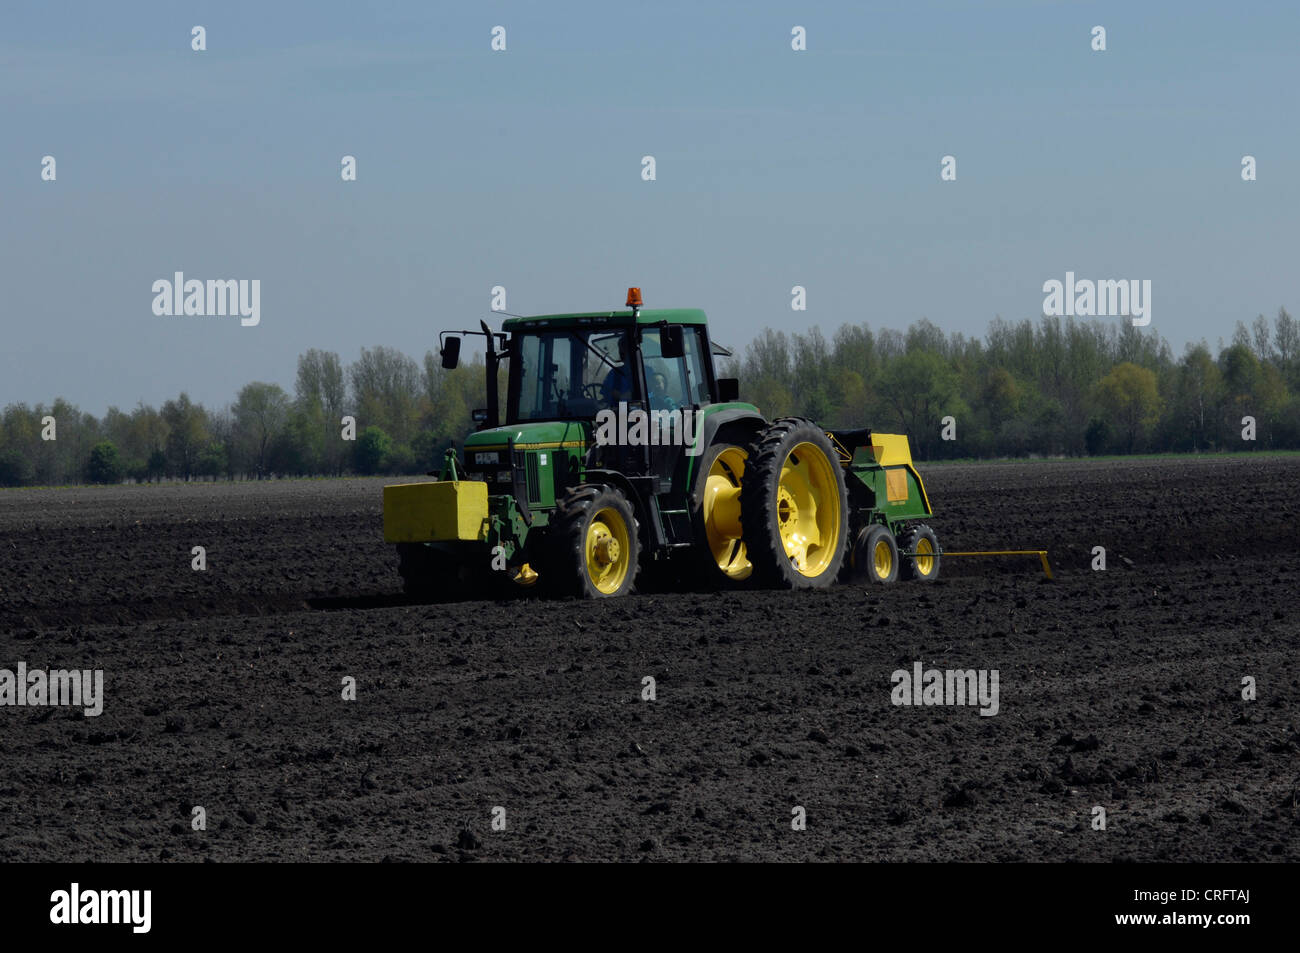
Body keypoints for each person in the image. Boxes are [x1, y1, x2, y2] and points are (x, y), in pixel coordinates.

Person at [600, 335, 635, 404]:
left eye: (626, 349)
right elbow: (606, 396)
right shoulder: (614, 373)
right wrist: (618, 395)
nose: (622, 352)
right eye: (621, 349)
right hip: (616, 412)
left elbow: (653, 392)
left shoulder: (647, 371)